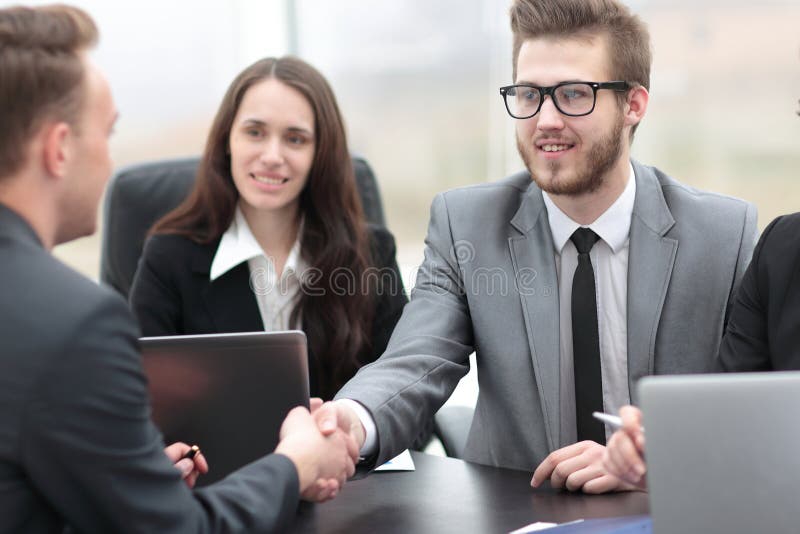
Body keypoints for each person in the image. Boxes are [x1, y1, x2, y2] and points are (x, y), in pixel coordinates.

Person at [314, 0, 758, 495]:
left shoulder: (722, 235)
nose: (545, 119)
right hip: (517, 509)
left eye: (573, 94)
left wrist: (661, 458)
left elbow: (755, 408)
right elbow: (416, 360)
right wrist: (349, 422)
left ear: (633, 105)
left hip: (668, 508)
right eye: (529, 94)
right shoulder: (466, 225)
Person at [0, 5, 357, 532]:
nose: (110, 161)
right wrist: (294, 464)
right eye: (108, 133)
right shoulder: (75, 323)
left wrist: (134, 476)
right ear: (58, 149)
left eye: (296, 138)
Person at [128, 56, 408, 402]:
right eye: (255, 132)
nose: (272, 156)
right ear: (227, 140)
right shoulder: (169, 258)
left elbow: (405, 391)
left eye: (295, 139)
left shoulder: (372, 255)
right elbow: (138, 401)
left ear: (320, 153)